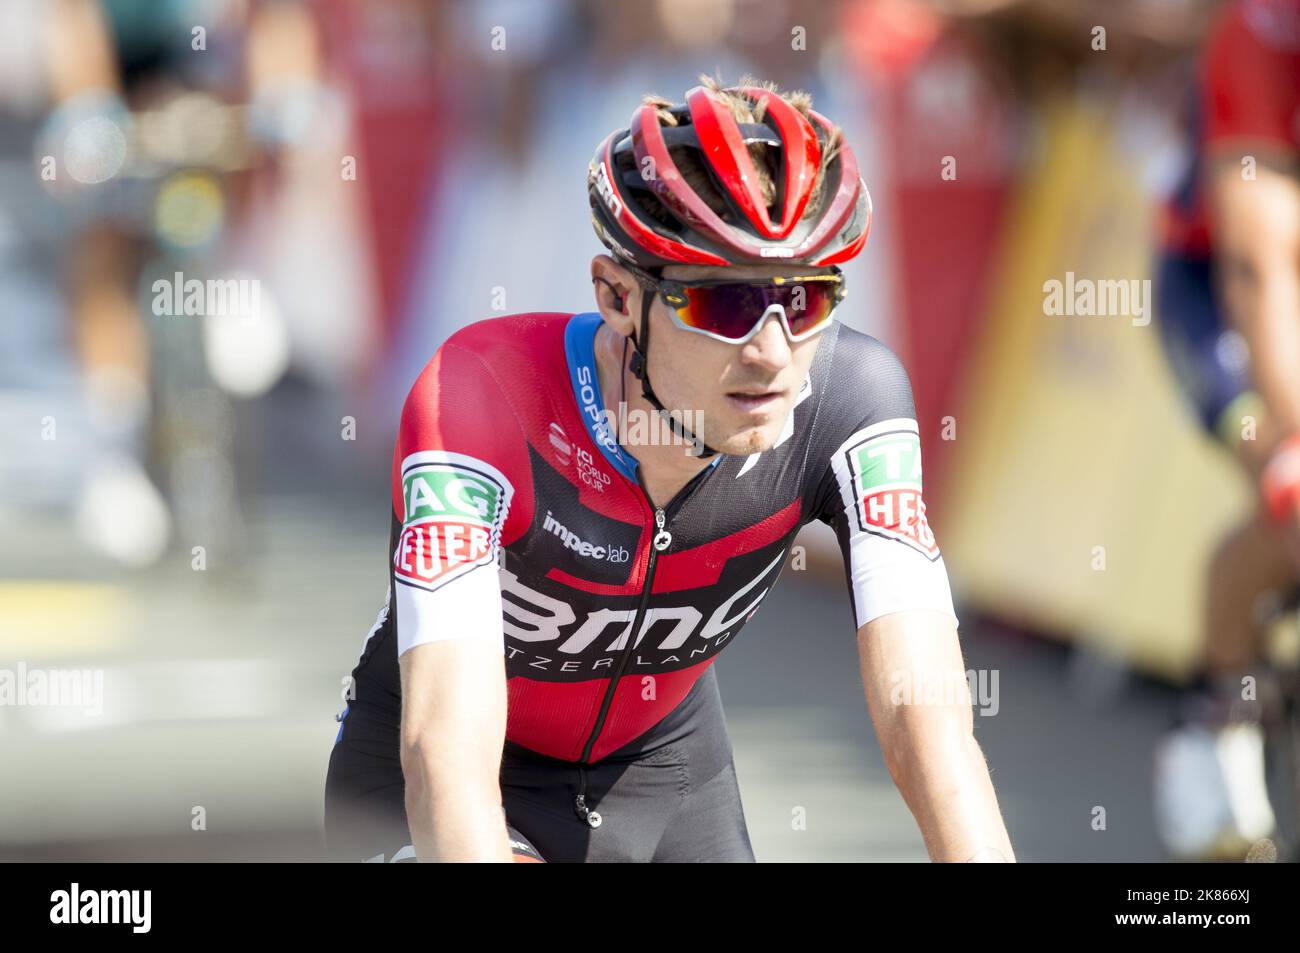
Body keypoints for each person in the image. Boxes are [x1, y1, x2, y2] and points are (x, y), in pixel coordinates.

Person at [325, 75, 1016, 862]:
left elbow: (927, 726)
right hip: (455, 777)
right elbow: (444, 754)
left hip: (663, 777)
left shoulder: (856, 402)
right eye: (722, 303)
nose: (770, 350)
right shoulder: (478, 400)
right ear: (618, 296)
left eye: (804, 299)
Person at [1151, 0, 1300, 860]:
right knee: (1287, 482)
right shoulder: (1261, 32)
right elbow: (1258, 263)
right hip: (1219, 291)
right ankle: (1217, 726)